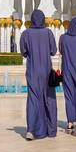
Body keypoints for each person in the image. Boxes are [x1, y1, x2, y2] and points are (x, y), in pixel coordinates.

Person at [19, 8, 57, 140]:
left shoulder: (25, 34)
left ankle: (31, 130)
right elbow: (53, 51)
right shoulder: (48, 33)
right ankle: (51, 130)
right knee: (49, 99)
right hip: (47, 71)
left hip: (32, 71)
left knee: (33, 99)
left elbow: (23, 52)